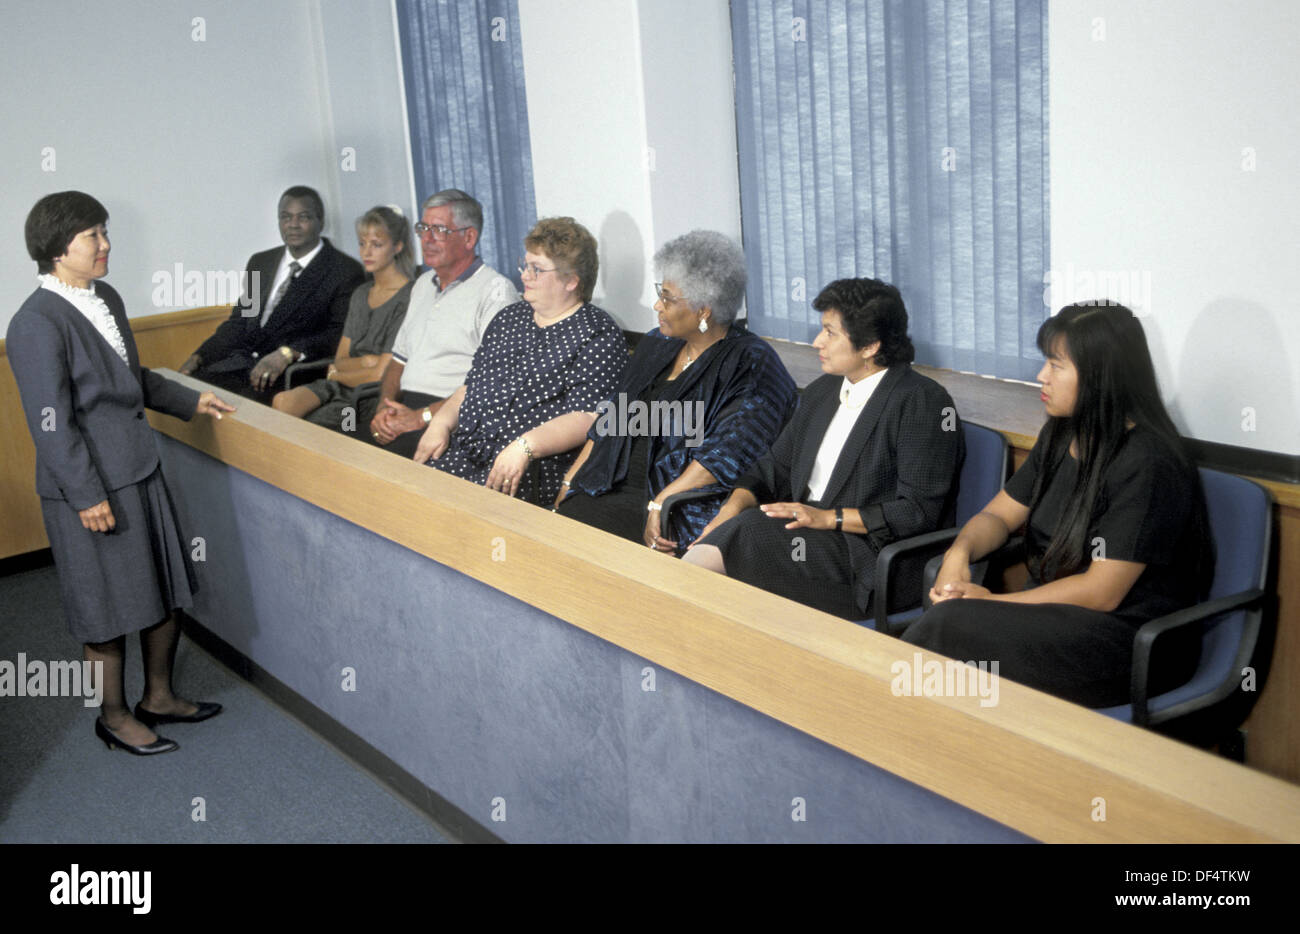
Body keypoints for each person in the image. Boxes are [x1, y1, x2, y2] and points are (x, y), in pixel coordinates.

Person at [7, 191, 235, 755]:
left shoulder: (102, 295)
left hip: (138, 471)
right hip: (89, 489)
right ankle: (111, 716)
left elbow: (129, 378)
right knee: (105, 611)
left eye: (105, 231)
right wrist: (86, 495)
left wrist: (189, 400)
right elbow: (50, 425)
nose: (106, 245)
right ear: (59, 248)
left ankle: (158, 698)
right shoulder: (35, 323)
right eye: (93, 236)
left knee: (162, 591)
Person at [900, 303, 1213, 708]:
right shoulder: (1062, 432)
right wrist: (958, 554)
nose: (1041, 376)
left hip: (1126, 640)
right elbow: (999, 515)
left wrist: (992, 602)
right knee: (948, 627)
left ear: (1102, 376)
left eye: (1055, 364)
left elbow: (1101, 593)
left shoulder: (1149, 461)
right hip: (1054, 616)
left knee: (948, 628)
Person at [683, 277, 964, 619]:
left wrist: (829, 518)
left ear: (870, 346)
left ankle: (672, 611)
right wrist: (729, 511)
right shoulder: (823, 391)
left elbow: (917, 511)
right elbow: (773, 468)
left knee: (748, 536)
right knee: (737, 531)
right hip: (805, 536)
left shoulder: (922, 401)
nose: (817, 342)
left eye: (830, 333)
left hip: (866, 557)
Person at [555, 230, 796, 552]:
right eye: (660, 293)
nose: (657, 305)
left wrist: (661, 501)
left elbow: (727, 454)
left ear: (704, 310)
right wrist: (571, 481)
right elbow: (609, 420)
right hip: (604, 486)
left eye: (668, 298)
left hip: (672, 503)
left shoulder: (750, 362)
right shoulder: (658, 342)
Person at [413, 217, 627, 506]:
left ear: (571, 280)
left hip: (528, 468)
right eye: (525, 265)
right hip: (465, 450)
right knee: (401, 498)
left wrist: (524, 447)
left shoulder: (597, 332)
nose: (525, 276)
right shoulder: (509, 318)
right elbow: (471, 386)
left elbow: (588, 416)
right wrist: (440, 422)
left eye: (537, 269)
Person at [366, 189, 518, 457]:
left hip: (451, 418)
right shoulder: (423, 284)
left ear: (469, 237)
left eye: (438, 230)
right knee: (337, 445)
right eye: (423, 228)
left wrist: (420, 417)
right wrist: (384, 409)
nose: (426, 239)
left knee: (371, 469)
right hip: (403, 409)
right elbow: (398, 362)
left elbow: (492, 386)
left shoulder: (496, 291)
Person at [178, 185, 365, 400]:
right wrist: (200, 356)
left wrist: (288, 353)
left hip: (291, 374)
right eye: (285, 217)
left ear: (320, 221)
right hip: (240, 364)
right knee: (186, 397)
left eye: (303, 217)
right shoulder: (260, 263)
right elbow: (239, 322)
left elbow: (338, 334)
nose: (293, 225)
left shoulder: (344, 270)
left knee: (232, 411)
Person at [269, 205, 415, 431]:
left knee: (309, 426)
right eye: (362, 243)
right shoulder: (360, 293)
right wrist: (364, 362)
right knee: (282, 402)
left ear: (397, 247)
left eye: (376, 245)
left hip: (367, 395)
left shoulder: (409, 297)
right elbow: (339, 360)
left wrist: (339, 374)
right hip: (338, 384)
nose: (366, 252)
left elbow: (380, 374)